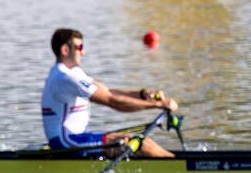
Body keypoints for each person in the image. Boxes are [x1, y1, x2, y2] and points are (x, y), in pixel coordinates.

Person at [41, 27, 180, 157]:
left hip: (76, 137)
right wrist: (158, 105)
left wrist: (144, 95)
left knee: (140, 141)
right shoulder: (65, 78)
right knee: (138, 142)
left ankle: (175, 163)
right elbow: (113, 102)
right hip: (66, 142)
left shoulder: (74, 72)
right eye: (80, 47)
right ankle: (180, 167)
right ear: (65, 50)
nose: (83, 52)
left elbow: (108, 92)